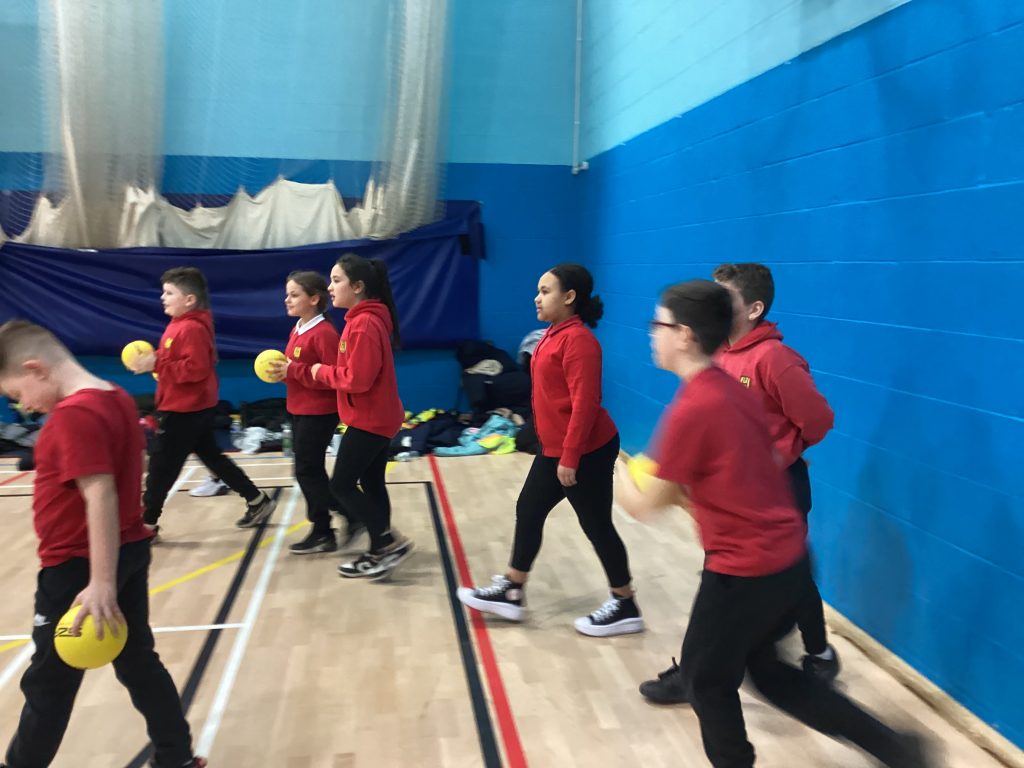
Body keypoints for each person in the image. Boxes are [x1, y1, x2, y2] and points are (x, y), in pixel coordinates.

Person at [617, 280, 929, 768]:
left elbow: (642, 505)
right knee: (770, 674)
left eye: (657, 324)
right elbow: (713, 489)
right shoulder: (732, 388)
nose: (650, 334)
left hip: (745, 574)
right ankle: (897, 750)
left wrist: (617, 470)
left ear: (683, 335)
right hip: (788, 564)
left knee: (705, 680)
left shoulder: (695, 406)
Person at [0, 320, 206, 768]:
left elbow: (101, 494)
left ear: (36, 369)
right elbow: (136, 464)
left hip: (78, 568)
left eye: (18, 395)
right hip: (126, 551)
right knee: (137, 663)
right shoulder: (115, 397)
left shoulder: (73, 416)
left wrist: (100, 582)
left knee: (49, 683)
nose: (27, 408)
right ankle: (177, 757)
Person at [457, 264, 643, 637]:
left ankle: (625, 605)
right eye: (538, 291)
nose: (536, 297)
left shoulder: (579, 342)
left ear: (569, 297)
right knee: (529, 509)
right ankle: (512, 589)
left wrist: (570, 457)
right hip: (556, 447)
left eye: (545, 291)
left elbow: (584, 406)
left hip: (587, 448)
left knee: (596, 525)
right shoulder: (554, 335)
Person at [712, 262, 838, 681]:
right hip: (734, 491)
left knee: (792, 574)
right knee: (728, 571)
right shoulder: (717, 356)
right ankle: (713, 661)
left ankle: (818, 651)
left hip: (781, 487)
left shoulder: (774, 359)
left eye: (723, 298)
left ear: (754, 308)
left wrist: (787, 450)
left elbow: (818, 419)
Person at [129, 267, 274, 532]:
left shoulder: (192, 329)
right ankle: (257, 500)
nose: (163, 297)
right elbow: (175, 363)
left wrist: (158, 362)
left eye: (170, 293)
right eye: (164, 292)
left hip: (185, 410)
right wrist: (153, 364)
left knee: (162, 468)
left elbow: (196, 369)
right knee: (212, 457)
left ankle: (146, 525)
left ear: (189, 300)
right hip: (189, 407)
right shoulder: (178, 325)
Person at [310, 254, 412, 579]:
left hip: (370, 420)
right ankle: (379, 549)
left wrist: (319, 371)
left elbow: (358, 379)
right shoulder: (361, 320)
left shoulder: (364, 324)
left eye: (336, 280)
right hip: (376, 417)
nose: (330, 287)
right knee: (370, 482)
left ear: (357, 286)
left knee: (341, 484)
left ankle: (386, 541)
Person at [266, 271, 365, 554]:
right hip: (298, 408)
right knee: (308, 471)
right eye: (287, 294)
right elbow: (297, 372)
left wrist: (293, 370)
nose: (287, 299)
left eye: (294, 295)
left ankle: (344, 517)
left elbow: (333, 376)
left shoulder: (324, 333)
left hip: (319, 411)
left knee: (307, 471)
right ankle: (327, 527)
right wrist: (281, 373)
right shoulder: (298, 328)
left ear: (314, 299)